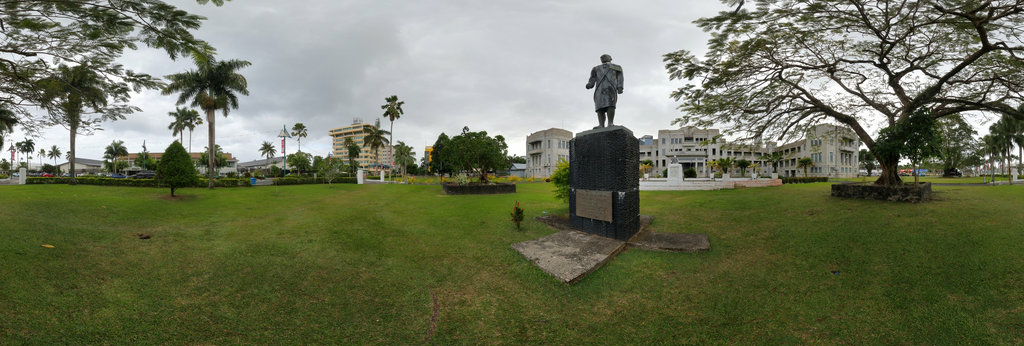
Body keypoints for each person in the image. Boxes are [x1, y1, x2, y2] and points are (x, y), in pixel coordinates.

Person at [585, 54, 623, 128]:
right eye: (601, 57)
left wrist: (620, 87)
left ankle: (610, 123)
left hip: (610, 87)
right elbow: (592, 78)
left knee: (610, 104)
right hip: (599, 88)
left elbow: (620, 77)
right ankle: (601, 125)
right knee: (599, 106)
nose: (602, 57)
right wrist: (590, 84)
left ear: (611, 58)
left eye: (605, 56)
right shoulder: (596, 68)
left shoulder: (616, 67)